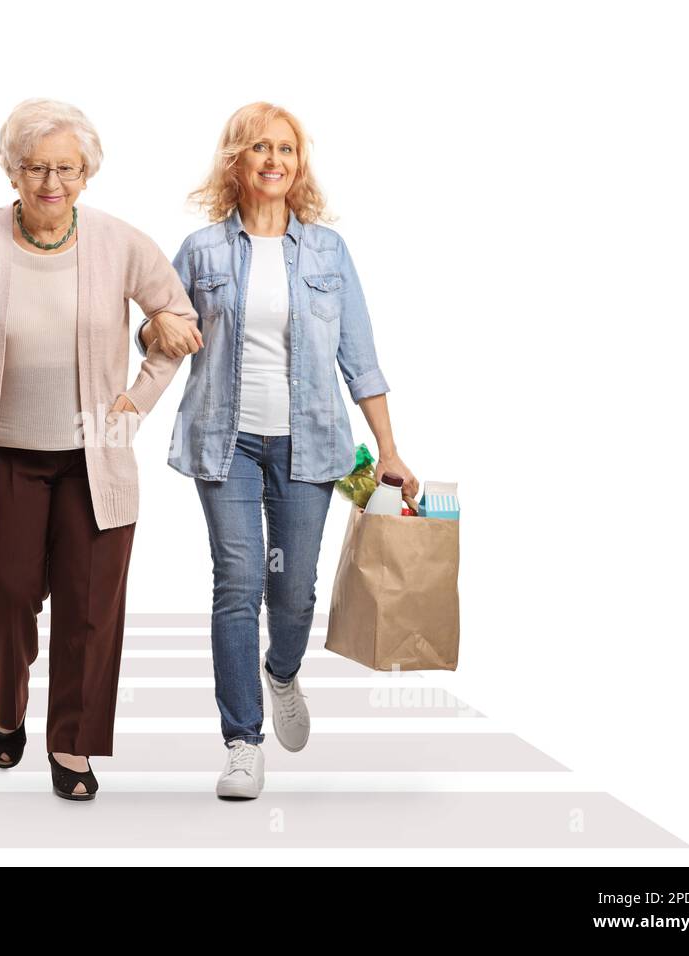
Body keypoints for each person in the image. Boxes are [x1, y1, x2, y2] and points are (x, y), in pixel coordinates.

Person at [137, 102, 419, 799]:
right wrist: (144, 355)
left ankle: (283, 670)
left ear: (299, 164)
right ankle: (241, 742)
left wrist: (389, 450)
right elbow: (160, 336)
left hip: (312, 447)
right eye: (260, 147)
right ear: (237, 158)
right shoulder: (201, 250)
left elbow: (361, 357)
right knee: (237, 584)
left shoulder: (328, 251)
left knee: (292, 593)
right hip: (224, 443)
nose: (273, 160)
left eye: (286, 149)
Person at [0, 98, 194, 800]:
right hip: (4, 453)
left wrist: (140, 386)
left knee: (90, 605)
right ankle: (7, 705)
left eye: (66, 168)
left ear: (87, 173)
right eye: (36, 167)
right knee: (5, 594)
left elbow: (180, 318)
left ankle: (72, 747)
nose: (51, 182)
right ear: (11, 170)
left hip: (94, 459)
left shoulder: (118, 242)